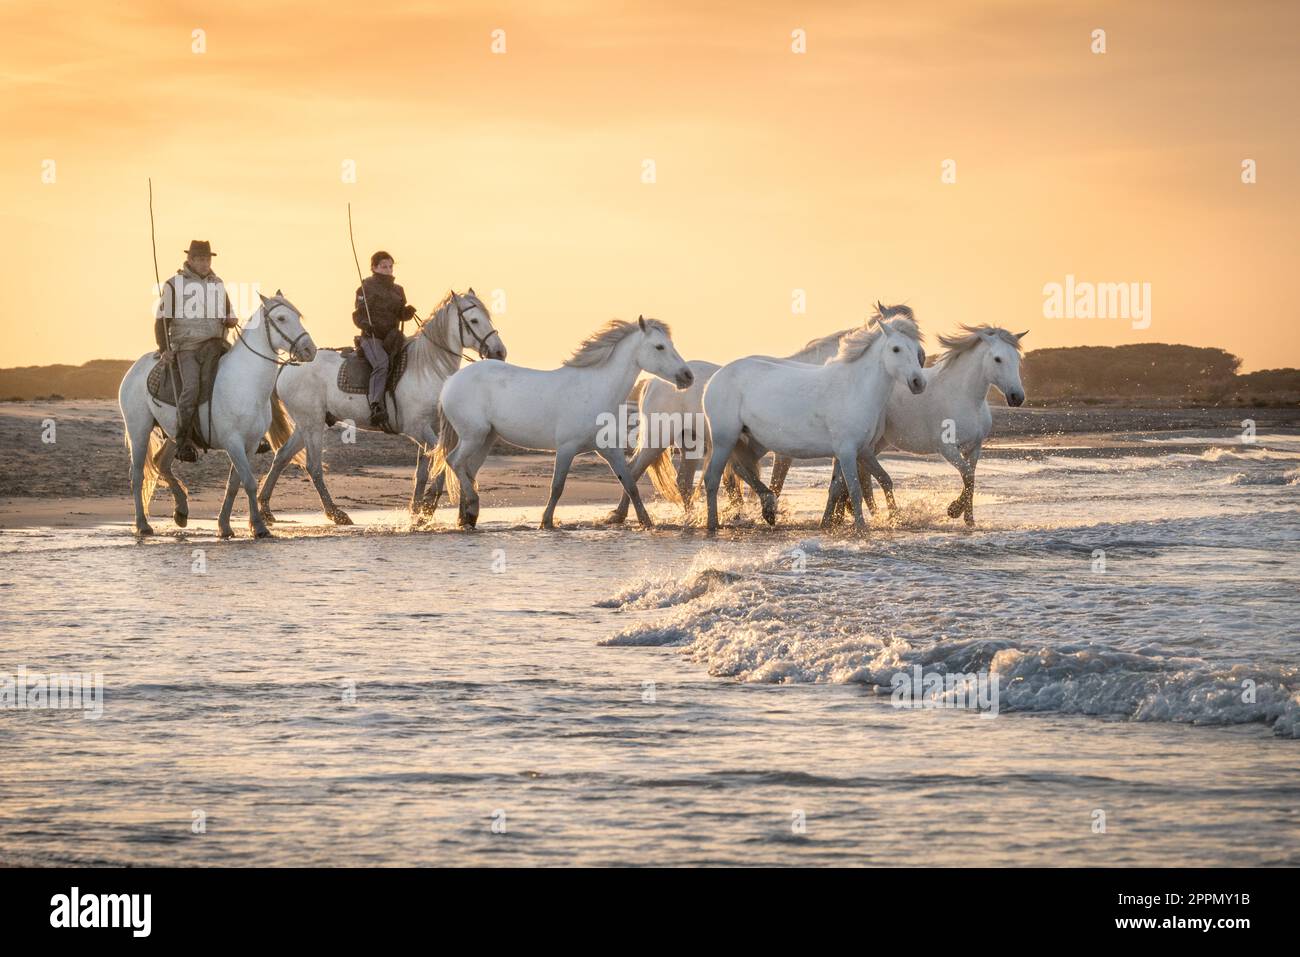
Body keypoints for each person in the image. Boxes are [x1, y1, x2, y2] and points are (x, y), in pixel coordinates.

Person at [155, 240, 238, 461]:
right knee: (191, 388)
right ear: (190, 260)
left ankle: (250, 432)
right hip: (188, 347)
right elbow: (161, 321)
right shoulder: (174, 284)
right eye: (200, 259)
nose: (204, 263)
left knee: (240, 378)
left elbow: (229, 313)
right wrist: (164, 349)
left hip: (216, 344)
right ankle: (183, 442)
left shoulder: (218, 283)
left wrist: (231, 320)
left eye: (207, 259)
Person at [352, 250, 416, 431]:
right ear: (374, 267)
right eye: (383, 266)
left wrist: (406, 313)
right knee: (381, 363)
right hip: (372, 338)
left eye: (390, 266)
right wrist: (366, 325)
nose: (388, 270)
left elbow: (399, 314)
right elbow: (358, 315)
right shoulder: (365, 288)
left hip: (393, 338)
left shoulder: (398, 290)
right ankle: (376, 405)